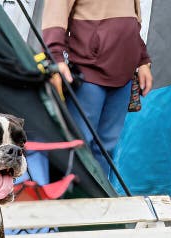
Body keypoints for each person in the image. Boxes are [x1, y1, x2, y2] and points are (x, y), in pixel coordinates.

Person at [43, 0, 153, 188]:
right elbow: (56, 11)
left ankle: (98, 199)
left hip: (124, 74)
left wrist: (142, 60)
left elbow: (132, 20)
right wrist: (55, 56)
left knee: (106, 148)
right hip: (87, 71)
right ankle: (67, 201)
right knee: (78, 145)